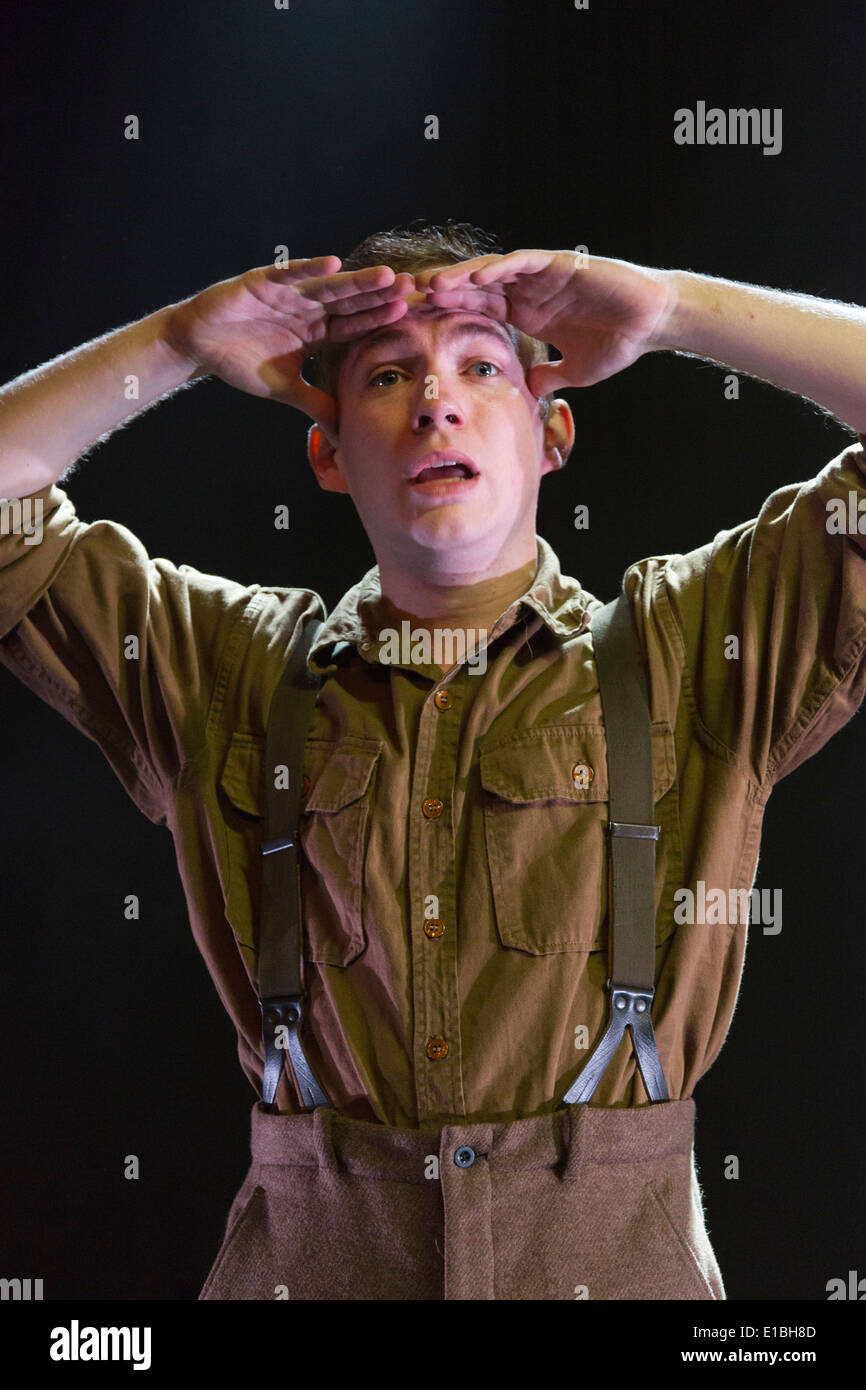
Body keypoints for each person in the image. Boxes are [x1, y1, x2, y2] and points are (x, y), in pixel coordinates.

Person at [1, 221, 864, 1301]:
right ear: (326, 451)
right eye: (388, 374)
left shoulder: (686, 649)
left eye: (479, 366)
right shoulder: (225, 669)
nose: (434, 401)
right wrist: (174, 342)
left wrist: (672, 310)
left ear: (552, 435)